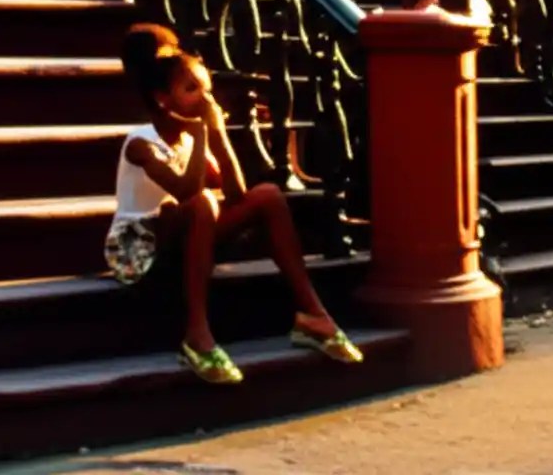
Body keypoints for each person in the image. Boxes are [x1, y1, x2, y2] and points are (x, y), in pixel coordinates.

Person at [108, 23, 363, 384]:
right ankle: (196, 335)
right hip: (137, 252)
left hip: (182, 238)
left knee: (268, 196)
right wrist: (199, 134)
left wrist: (217, 135)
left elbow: (238, 192)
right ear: (163, 98)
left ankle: (313, 314)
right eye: (191, 89)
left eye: (207, 90)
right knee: (202, 204)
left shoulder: (191, 139)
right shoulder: (141, 143)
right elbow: (186, 193)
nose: (207, 100)